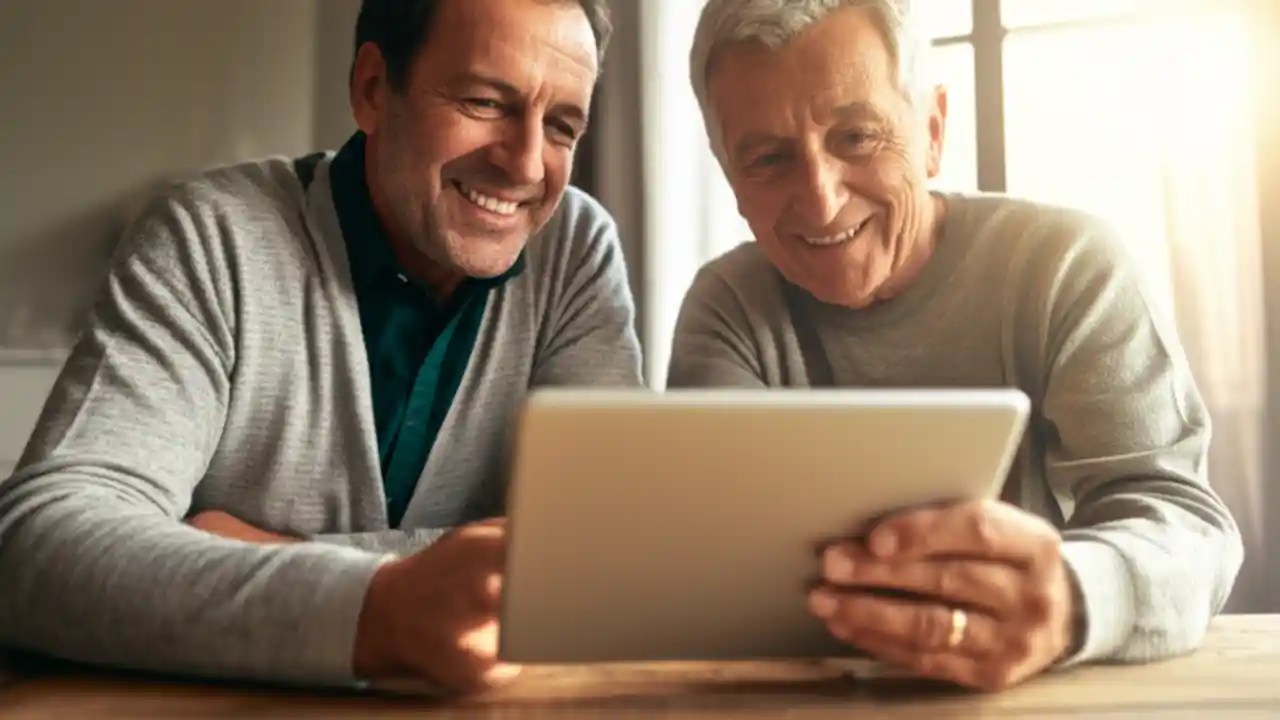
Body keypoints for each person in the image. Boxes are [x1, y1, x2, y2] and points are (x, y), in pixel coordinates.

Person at [0, 0, 640, 694]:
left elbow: (606, 554)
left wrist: (259, 552)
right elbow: (38, 546)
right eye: (485, 102)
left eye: (560, 126)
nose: (523, 164)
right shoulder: (211, 236)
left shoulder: (575, 250)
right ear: (371, 89)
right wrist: (380, 610)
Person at [669, 0, 1242, 691]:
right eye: (768, 158)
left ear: (933, 130)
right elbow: (712, 559)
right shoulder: (727, 307)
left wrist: (1070, 598)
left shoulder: (1067, 267)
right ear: (730, 174)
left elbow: (1186, 526)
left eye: (856, 137)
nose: (819, 200)